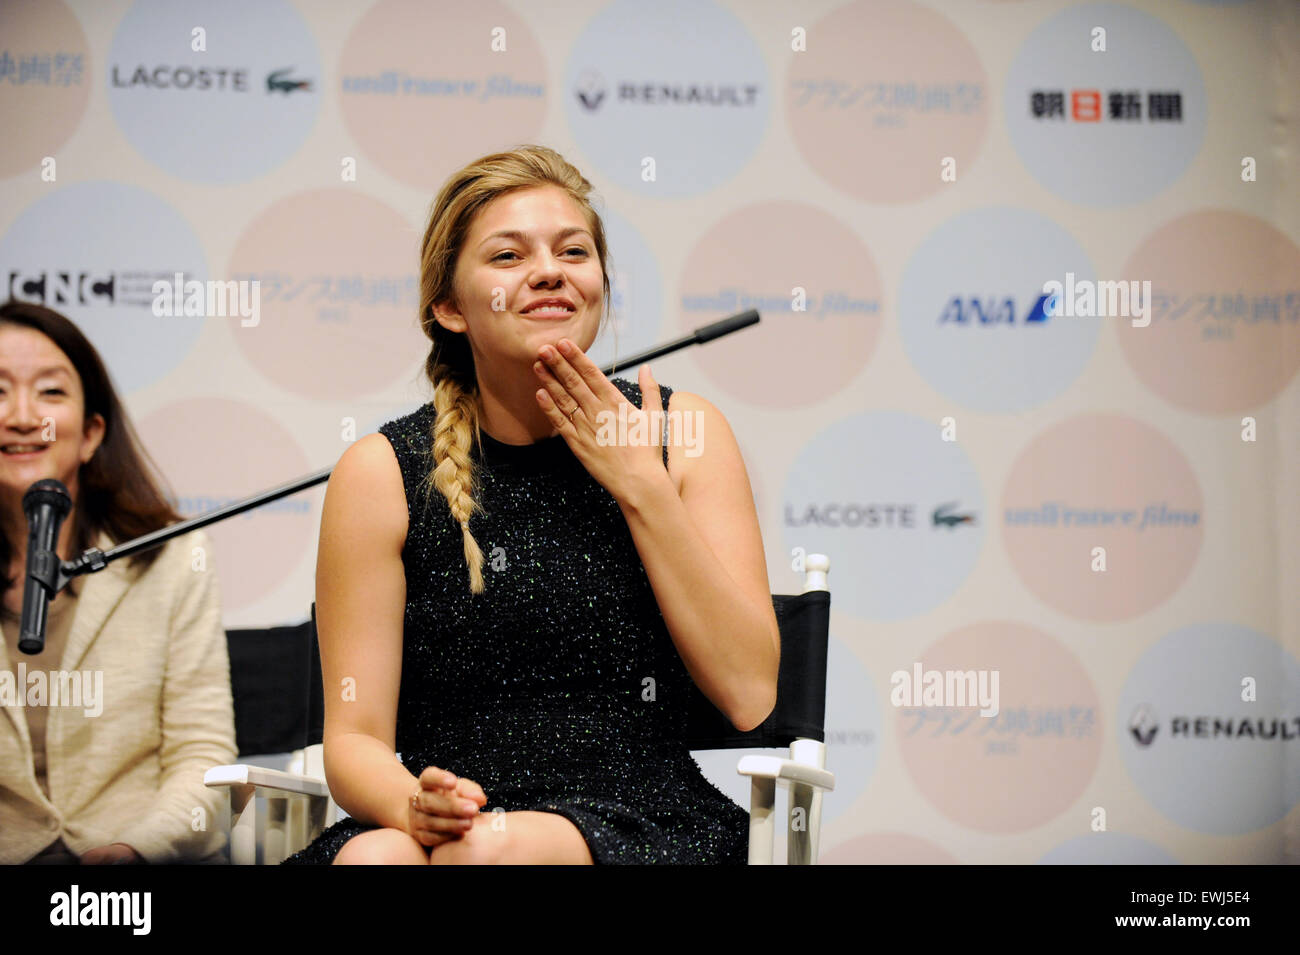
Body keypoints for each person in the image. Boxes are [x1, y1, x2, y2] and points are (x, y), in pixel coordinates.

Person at [284, 145, 780, 865]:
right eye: (508, 256)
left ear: (599, 283)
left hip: (643, 814)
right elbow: (355, 741)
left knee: (488, 854)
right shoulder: (381, 473)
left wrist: (640, 485)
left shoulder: (683, 436)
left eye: (573, 250)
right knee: (374, 860)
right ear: (450, 307)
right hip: (445, 816)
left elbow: (749, 692)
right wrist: (412, 807)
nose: (549, 269)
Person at [0, 301, 236, 864]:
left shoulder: (172, 558)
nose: (24, 415)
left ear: (90, 434)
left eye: (51, 393)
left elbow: (204, 758)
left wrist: (139, 848)